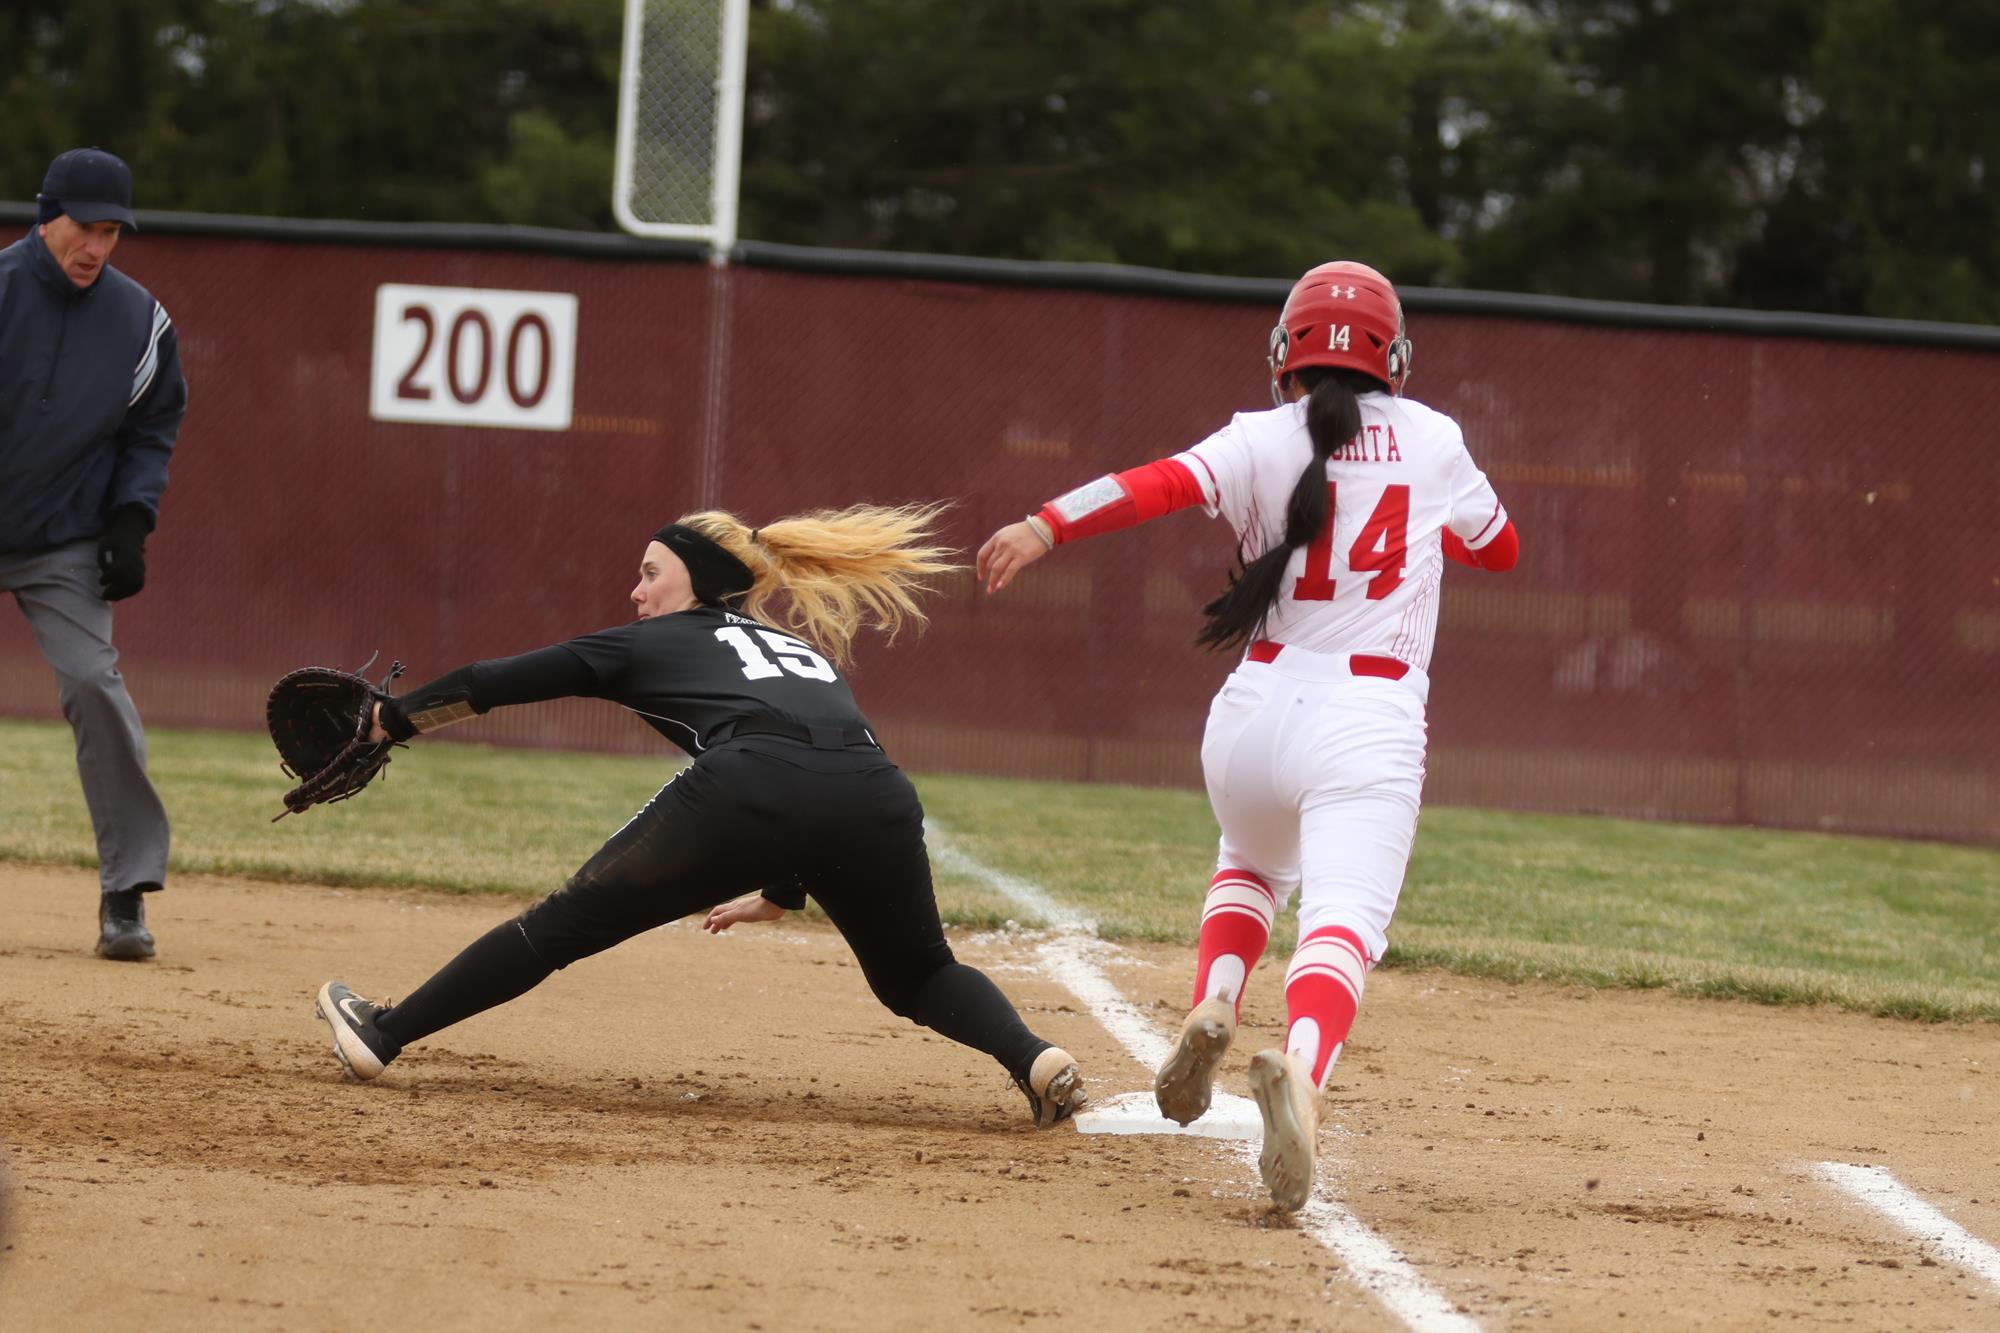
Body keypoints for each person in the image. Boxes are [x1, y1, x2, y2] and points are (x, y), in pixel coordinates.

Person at [976, 261, 1519, 1210]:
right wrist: (1422, 522)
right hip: (1368, 717)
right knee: (1341, 923)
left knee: (1253, 865)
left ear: (1284, 355)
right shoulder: (1434, 437)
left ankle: (1218, 997)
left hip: (1252, 712)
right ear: (1393, 358)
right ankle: (1299, 1074)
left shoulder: (1256, 436)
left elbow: (1152, 486)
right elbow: (1500, 548)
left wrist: (1045, 524)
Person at [312, 504, 1088, 1128]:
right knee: (920, 973)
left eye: (651, 572)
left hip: (750, 783)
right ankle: (1035, 1058)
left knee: (558, 927)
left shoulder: (653, 641)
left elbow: (494, 680)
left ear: (698, 582)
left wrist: (393, 719)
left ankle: (384, 1033)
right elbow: (818, 769)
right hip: (878, 790)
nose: (637, 592)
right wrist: (783, 890)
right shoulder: (795, 650)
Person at [0, 147, 185, 961]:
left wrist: (130, 521)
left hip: (65, 535)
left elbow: (151, 427)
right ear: (47, 217)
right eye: (86, 227)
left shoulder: (140, 320)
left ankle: (126, 891)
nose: (97, 247)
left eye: (112, 232)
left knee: (93, 685)